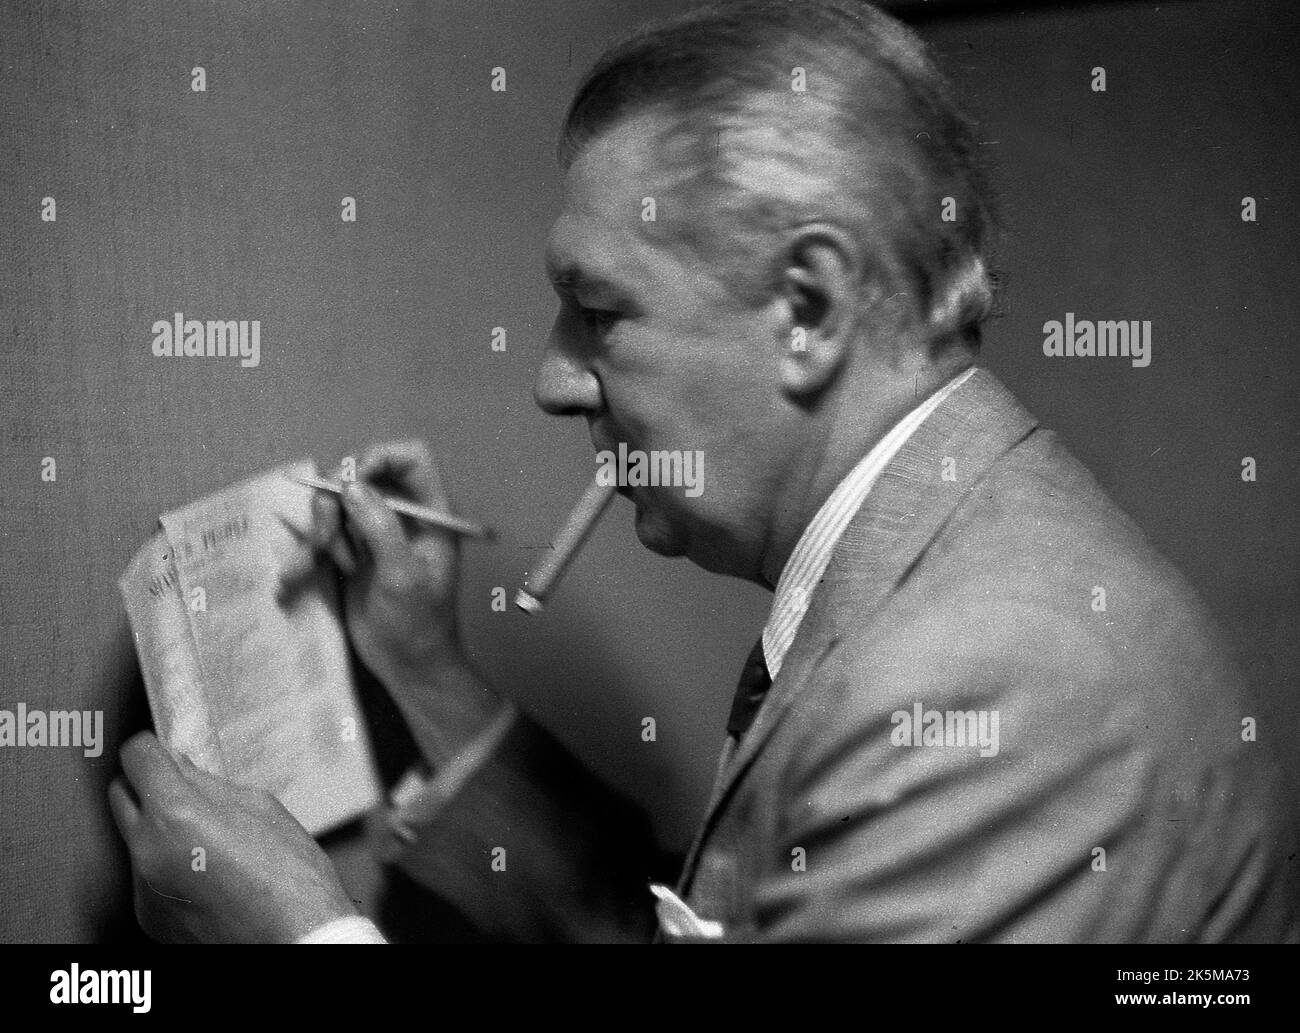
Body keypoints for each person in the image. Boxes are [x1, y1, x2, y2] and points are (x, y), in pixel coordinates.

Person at [109, 0, 1298, 943]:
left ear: (807, 307)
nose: (554, 382)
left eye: (595, 311)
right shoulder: (918, 561)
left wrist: (307, 942)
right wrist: (422, 665)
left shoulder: (997, 678)